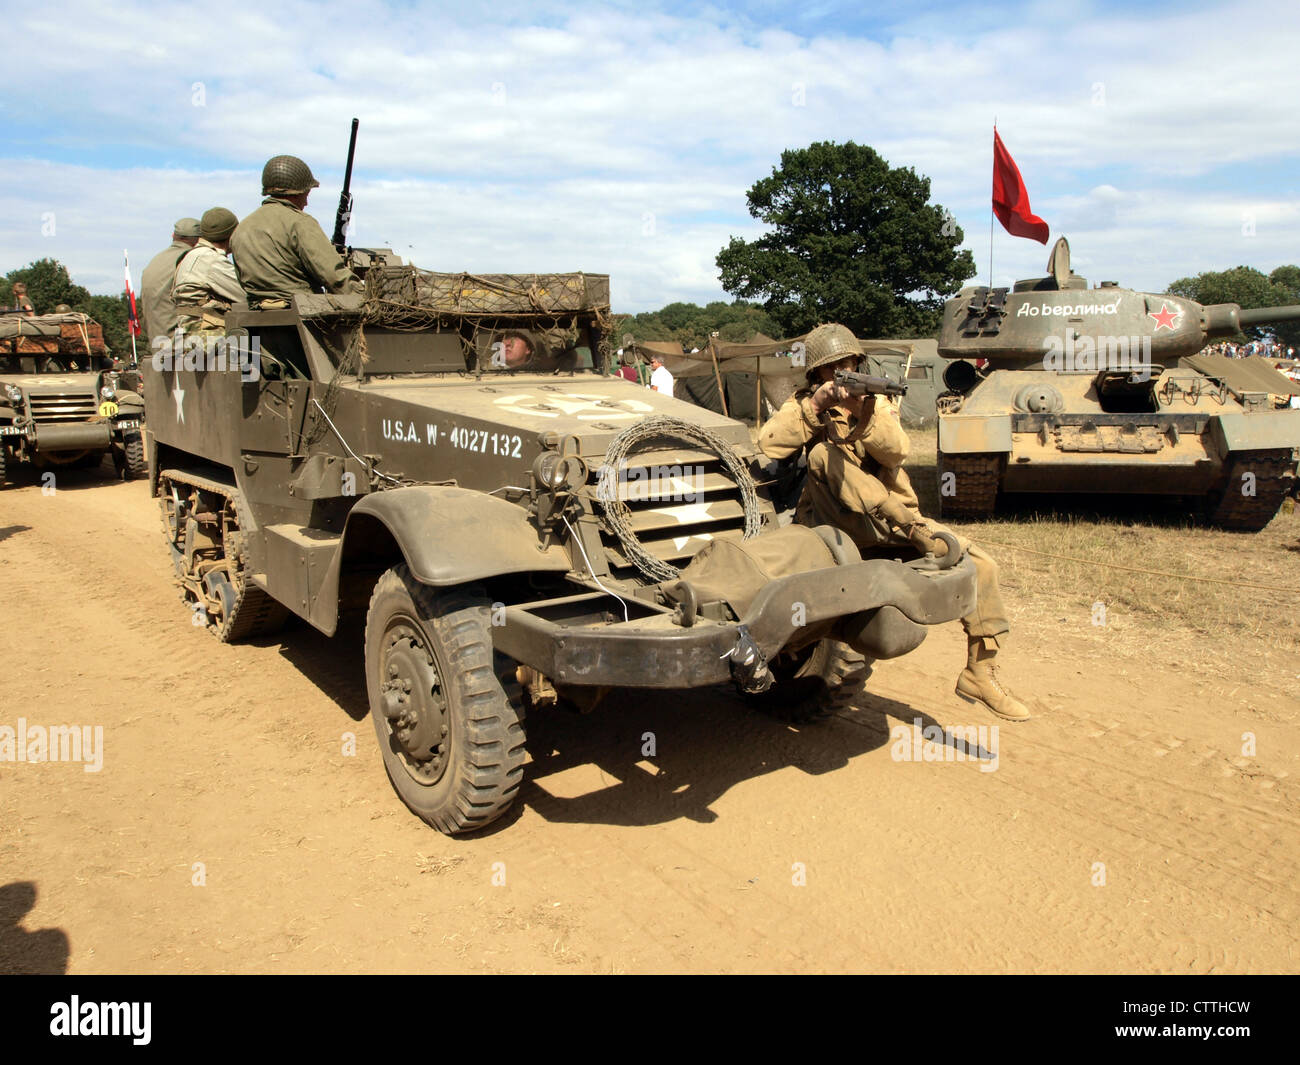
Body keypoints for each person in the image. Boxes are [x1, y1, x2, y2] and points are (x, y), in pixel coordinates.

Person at [758, 322, 1031, 722]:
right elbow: (770, 442)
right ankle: (916, 532)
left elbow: (896, 452)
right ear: (817, 373)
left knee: (982, 566)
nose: (842, 371)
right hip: (833, 527)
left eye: (849, 362)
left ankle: (980, 671)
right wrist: (816, 406)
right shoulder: (804, 403)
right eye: (833, 367)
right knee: (821, 456)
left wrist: (864, 412)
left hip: (892, 524)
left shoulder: (876, 402)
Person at [230, 154, 363, 308]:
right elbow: (334, 276)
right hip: (306, 314)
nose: (306, 202)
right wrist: (368, 299)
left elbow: (242, 279)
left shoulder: (242, 228)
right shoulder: (300, 223)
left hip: (257, 317)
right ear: (298, 191)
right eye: (306, 194)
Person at [171, 208, 248, 336]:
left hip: (189, 333)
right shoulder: (211, 259)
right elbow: (245, 296)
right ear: (233, 233)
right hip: (208, 334)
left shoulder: (192, 255)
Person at [140, 218, 200, 341]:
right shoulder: (190, 259)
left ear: (173, 236)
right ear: (199, 240)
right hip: (180, 344)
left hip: (157, 340)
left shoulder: (156, 260)